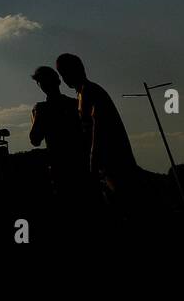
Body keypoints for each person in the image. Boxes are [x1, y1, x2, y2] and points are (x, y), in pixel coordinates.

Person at [56, 52, 139, 208]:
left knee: (126, 202)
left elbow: (98, 127)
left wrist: (93, 161)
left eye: (64, 73)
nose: (63, 78)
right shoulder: (83, 93)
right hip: (107, 162)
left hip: (113, 160)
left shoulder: (89, 91)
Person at [28, 65, 85, 198]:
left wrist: (36, 116)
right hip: (80, 165)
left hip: (61, 167)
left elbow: (35, 140)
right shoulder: (75, 104)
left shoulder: (42, 109)